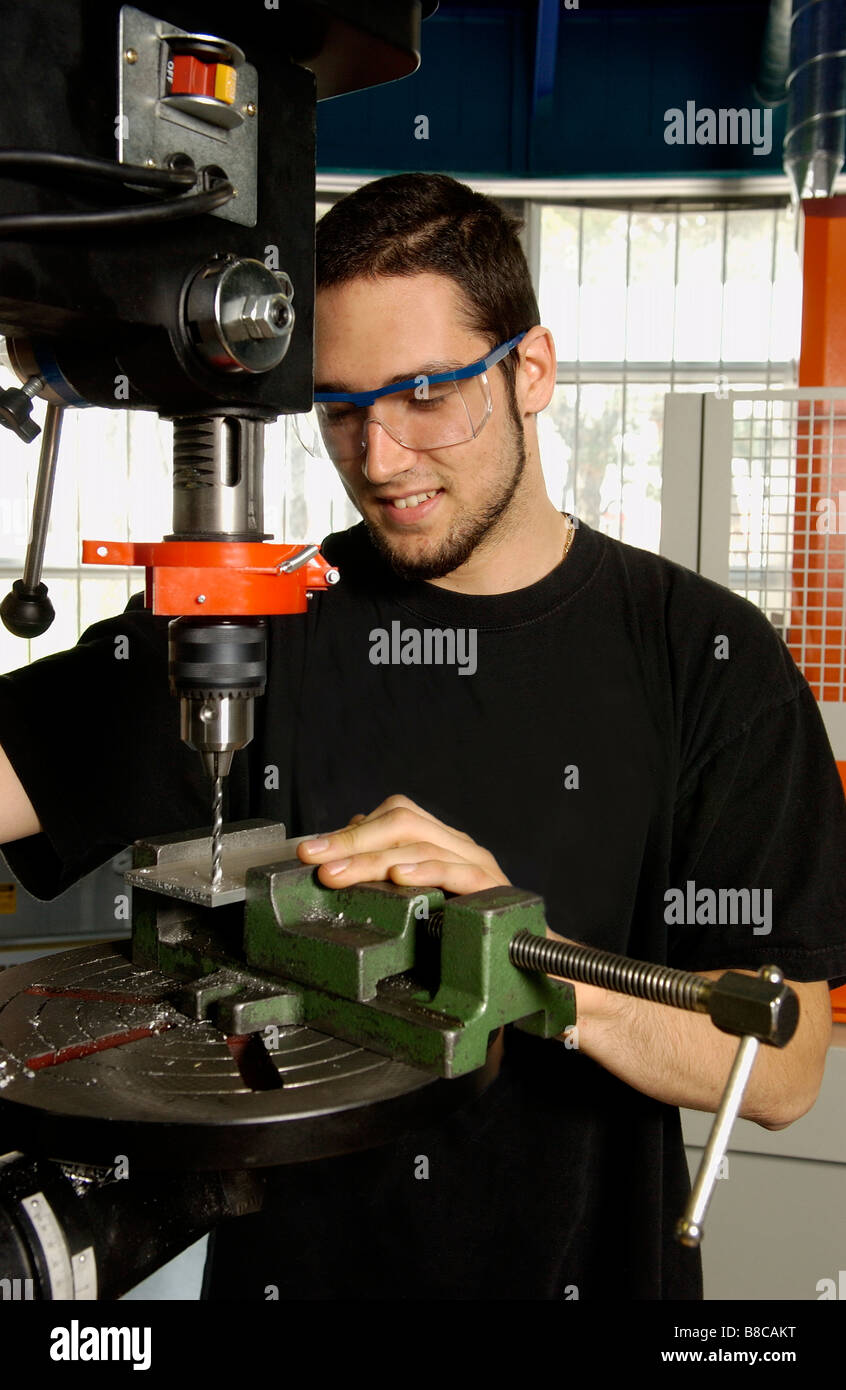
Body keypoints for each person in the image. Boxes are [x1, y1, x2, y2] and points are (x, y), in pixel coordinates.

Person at [0, 172, 844, 1301]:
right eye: (343, 405)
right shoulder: (262, 623)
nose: (380, 456)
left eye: (427, 393)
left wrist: (507, 954)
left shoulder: (707, 658)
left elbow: (781, 1066)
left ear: (529, 371)